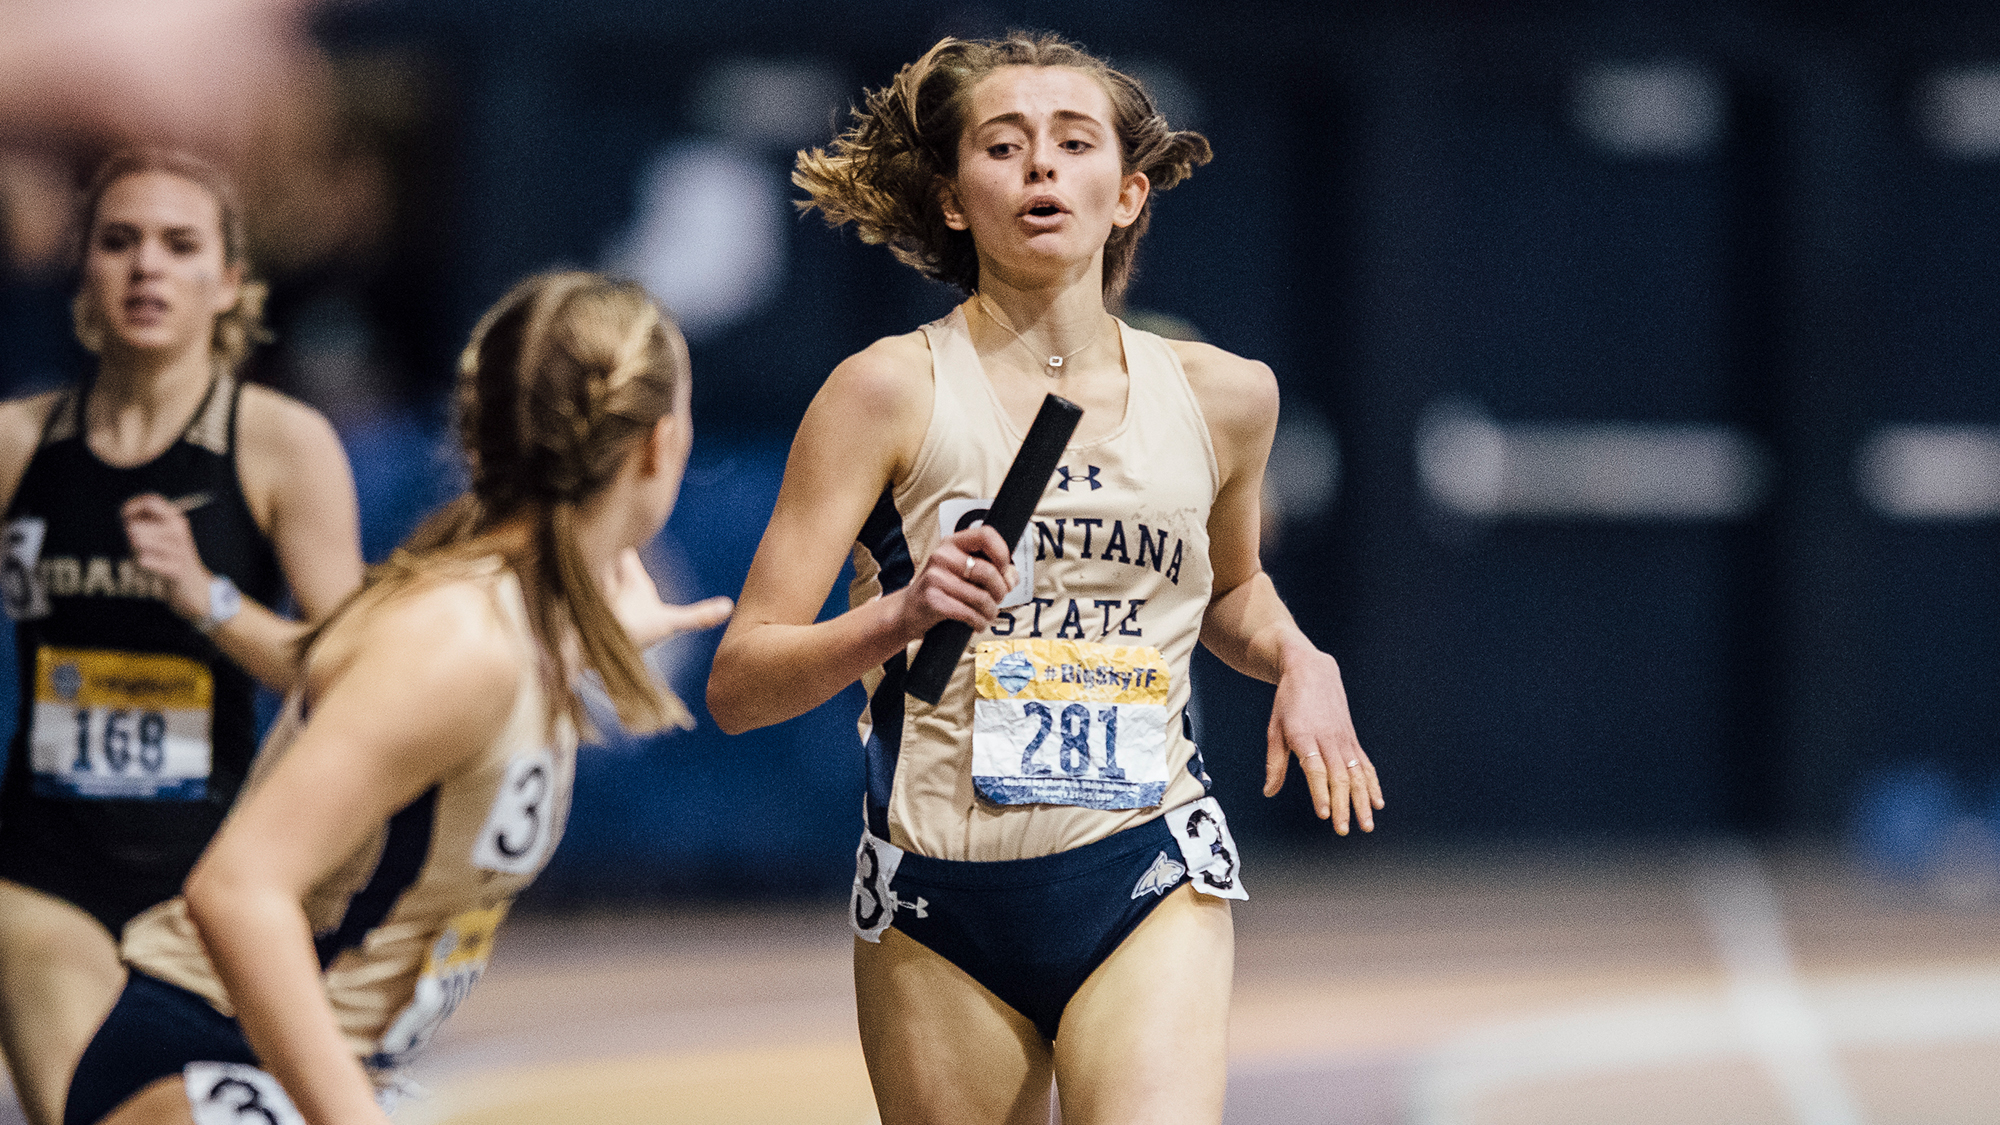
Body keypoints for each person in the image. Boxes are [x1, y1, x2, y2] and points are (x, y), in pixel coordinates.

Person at [707, 31, 1383, 1125]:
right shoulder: (882, 393)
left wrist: (1302, 658)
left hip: (1143, 862)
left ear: (1126, 195)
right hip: (938, 896)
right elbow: (741, 685)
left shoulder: (1224, 398)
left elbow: (1228, 590)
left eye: (1073, 144)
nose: (1039, 168)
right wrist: (901, 612)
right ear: (951, 201)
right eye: (1003, 145)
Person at [62, 270, 732, 1125]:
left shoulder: (503, 620)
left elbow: (336, 672)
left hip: (268, 1062)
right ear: (658, 444)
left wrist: (582, 642)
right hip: (211, 1058)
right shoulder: (456, 641)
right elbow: (237, 891)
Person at [0, 147, 364, 1125]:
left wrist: (206, 599)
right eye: (118, 242)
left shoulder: (281, 445)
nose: (146, 267)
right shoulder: (19, 443)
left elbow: (352, 679)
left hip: (217, 887)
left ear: (228, 281)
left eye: (177, 245)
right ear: (85, 271)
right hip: (43, 876)